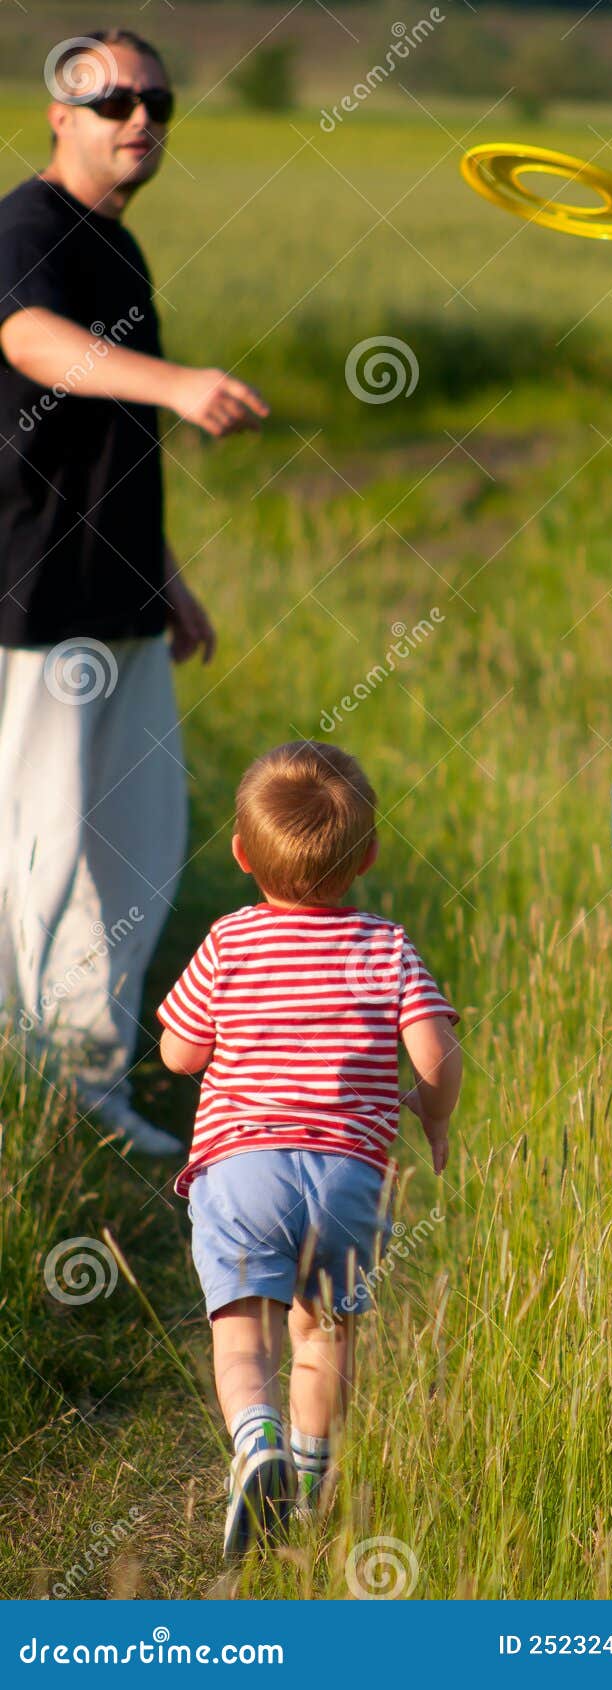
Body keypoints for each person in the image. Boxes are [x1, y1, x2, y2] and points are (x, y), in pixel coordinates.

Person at [0, 29, 269, 1155]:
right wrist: (180, 381)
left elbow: (107, 446)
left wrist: (169, 579)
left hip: (123, 600)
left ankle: (86, 1082)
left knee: (138, 847)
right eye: (112, 100)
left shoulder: (120, 245)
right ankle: (19, 1092)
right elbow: (29, 340)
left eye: (156, 99)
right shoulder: (26, 224)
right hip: (35, 602)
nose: (139, 118)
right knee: (34, 848)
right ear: (61, 114)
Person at [157, 740, 462, 1558]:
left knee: (241, 1333)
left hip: (243, 1168)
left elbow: (181, 1054)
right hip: (348, 1179)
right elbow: (435, 1057)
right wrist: (431, 1119)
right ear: (366, 857)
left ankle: (255, 1444)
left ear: (241, 855)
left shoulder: (228, 941)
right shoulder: (387, 946)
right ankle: (309, 1479)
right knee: (321, 1331)